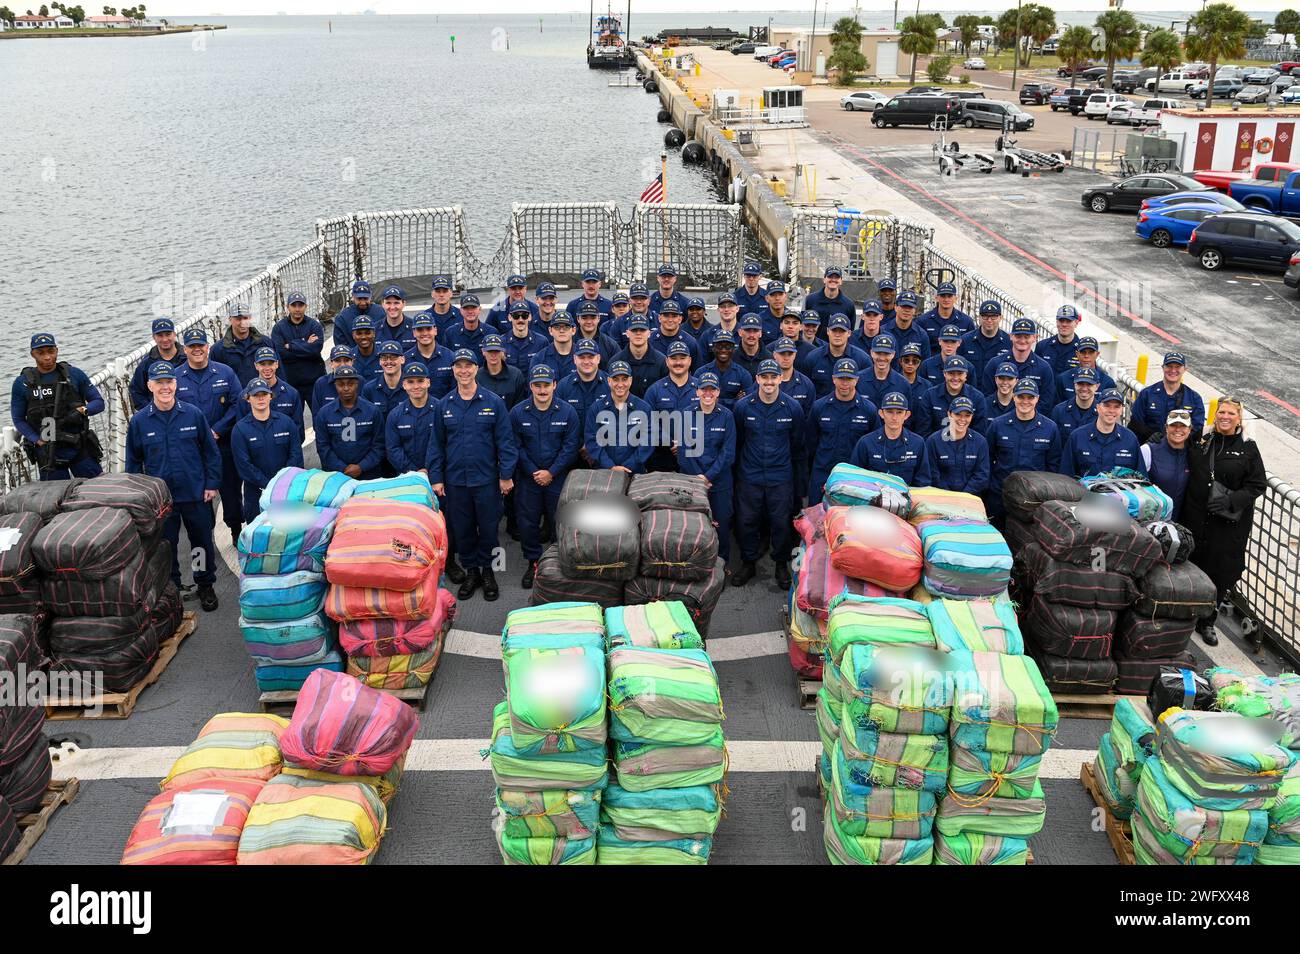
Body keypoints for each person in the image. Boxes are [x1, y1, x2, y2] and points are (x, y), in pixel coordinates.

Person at [126, 362, 221, 611]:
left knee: (200, 542)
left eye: (169, 382)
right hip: (161, 500)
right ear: (150, 386)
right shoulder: (139, 422)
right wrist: (140, 498)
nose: (165, 387)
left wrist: (211, 484)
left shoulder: (193, 414)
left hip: (195, 493)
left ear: (176, 384)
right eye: (159, 383)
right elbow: (133, 464)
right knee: (166, 546)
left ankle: (204, 584)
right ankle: (173, 587)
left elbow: (211, 453)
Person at [428, 349, 518, 602]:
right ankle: (472, 572)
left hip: (487, 480)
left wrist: (506, 475)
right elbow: (436, 445)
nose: (464, 370)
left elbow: (506, 443)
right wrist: (436, 477)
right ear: (454, 370)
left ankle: (488, 572)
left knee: (489, 528)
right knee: (464, 529)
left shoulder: (493, 402)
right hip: (456, 481)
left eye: (469, 366)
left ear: (476, 369)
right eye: (459, 366)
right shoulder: (443, 405)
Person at [1182, 398, 1267, 647]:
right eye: (1222, 412)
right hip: (1197, 519)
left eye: (1231, 413)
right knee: (1193, 566)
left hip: (1227, 526)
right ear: (1215, 414)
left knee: (1221, 572)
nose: (1225, 416)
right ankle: (1185, 615)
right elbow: (1179, 441)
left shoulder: (1248, 448)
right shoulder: (1203, 439)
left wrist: (1231, 501)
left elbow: (1257, 484)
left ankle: (1207, 621)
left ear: (1239, 418)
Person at [732, 360, 806, 588]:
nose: (769, 382)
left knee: (781, 523)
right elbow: (740, 441)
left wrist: (798, 485)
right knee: (746, 521)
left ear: (780, 379)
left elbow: (797, 445)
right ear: (757, 379)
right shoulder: (743, 407)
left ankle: (780, 564)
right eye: (764, 377)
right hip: (750, 475)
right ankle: (749, 562)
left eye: (773, 377)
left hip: (780, 476)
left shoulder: (792, 408)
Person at [511, 364, 581, 589]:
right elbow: (515, 446)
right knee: (528, 523)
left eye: (546, 385)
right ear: (530, 386)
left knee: (558, 521)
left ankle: (556, 562)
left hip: (557, 478)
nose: (542, 390)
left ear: (555, 385)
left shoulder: (567, 412)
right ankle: (533, 563)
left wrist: (551, 472)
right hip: (528, 478)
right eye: (537, 385)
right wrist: (534, 471)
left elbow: (570, 447)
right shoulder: (518, 412)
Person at [174, 327, 243, 542]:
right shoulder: (176, 377)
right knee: (199, 497)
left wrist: (217, 429)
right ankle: (206, 536)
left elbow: (237, 403)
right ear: (185, 349)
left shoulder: (225, 373)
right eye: (192, 346)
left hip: (223, 445)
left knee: (231, 493)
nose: (197, 350)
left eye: (201, 346)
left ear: (208, 347)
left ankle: (236, 530)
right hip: (192, 450)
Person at [11, 332, 105, 480]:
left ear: (57, 350)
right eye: (40, 353)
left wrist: (83, 410)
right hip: (48, 452)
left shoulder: (74, 374)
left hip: (79, 446)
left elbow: (99, 403)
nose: (47, 357)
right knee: (55, 500)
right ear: (32, 354)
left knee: (98, 490)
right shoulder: (22, 383)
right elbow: (18, 419)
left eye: (50, 351)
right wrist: (37, 439)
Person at [676, 373, 737, 566]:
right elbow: (684, 451)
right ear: (697, 391)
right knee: (693, 526)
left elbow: (728, 452)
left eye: (712, 389)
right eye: (704, 389)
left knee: (721, 524)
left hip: (719, 482)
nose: (708, 393)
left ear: (718, 392)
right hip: (692, 482)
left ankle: (721, 563)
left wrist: (709, 476)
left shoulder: (727, 416)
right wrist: (699, 478)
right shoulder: (686, 414)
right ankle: (694, 564)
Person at [985, 379, 1062, 522]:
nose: (1025, 401)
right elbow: (987, 459)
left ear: (1037, 399)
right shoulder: (998, 425)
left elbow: (1053, 466)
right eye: (1021, 396)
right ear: (1014, 397)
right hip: (1000, 496)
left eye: (1030, 397)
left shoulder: (1050, 428)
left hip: (1034, 500)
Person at [230, 380, 303, 522]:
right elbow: (244, 466)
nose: (261, 398)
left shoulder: (286, 423)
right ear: (248, 399)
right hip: (256, 495)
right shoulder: (240, 430)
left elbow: (296, 456)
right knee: (259, 539)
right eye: (256, 395)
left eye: (264, 394)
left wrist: (282, 481)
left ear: (271, 396)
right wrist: (268, 484)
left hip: (287, 491)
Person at [807, 359, 877, 505]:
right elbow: (810, 444)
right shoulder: (819, 407)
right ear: (833, 379)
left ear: (857, 380)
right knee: (818, 522)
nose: (845, 383)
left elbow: (873, 447)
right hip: (823, 475)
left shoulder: (869, 410)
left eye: (849, 379)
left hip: (856, 479)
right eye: (841, 378)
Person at [314, 366, 386, 480]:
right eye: (341, 384)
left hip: (369, 474)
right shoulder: (324, 414)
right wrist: (342, 468)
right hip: (336, 475)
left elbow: (379, 444)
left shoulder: (372, 411)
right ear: (335, 386)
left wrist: (361, 466)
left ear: (357, 384)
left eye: (351, 384)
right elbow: (323, 446)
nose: (346, 388)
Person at [583, 361, 653, 473]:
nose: (620, 384)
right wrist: (610, 466)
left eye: (624, 379)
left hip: (635, 473)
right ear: (609, 381)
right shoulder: (596, 409)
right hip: (604, 472)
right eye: (616, 379)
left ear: (630, 380)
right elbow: (592, 440)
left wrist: (629, 466)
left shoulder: (644, 408)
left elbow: (648, 442)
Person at [850, 391, 932, 486]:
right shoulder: (866, 443)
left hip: (907, 498)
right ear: (881, 413)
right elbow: (855, 478)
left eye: (899, 412)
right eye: (889, 412)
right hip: (874, 498)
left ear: (907, 415)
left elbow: (923, 481)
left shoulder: (917, 443)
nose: (894, 417)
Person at [1059, 388, 1144, 479]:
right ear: (1098, 407)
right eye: (1107, 405)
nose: (1111, 410)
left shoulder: (1130, 440)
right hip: (1084, 492)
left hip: (1119, 492)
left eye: (1116, 407)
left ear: (1122, 410)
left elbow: (1141, 478)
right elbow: (1066, 477)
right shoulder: (1077, 437)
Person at [644, 341, 699, 472]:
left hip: (695, 459)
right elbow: (647, 424)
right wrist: (670, 442)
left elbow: (710, 420)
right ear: (667, 361)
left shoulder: (702, 389)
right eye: (673, 358)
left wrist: (685, 443)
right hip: (661, 460)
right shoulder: (654, 391)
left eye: (682, 358)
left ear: (690, 361)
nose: (678, 362)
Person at [1129, 351, 1205, 443]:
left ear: (1185, 369)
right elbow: (1136, 423)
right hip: (1151, 448)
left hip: (1181, 452)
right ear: (1163, 367)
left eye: (1177, 367)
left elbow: (1197, 429)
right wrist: (1151, 436)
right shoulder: (1147, 394)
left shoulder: (1194, 398)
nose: (1173, 370)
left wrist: (1177, 440)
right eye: (1169, 366)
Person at [980, 318, 1056, 406]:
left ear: (1035, 338)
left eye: (1027, 337)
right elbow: (987, 396)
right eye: (1018, 336)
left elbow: (1046, 402)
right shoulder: (995, 364)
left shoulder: (1044, 368)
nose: (1022, 341)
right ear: (1011, 336)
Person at [557, 339, 610, 466]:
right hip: (571, 455)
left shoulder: (611, 385)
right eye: (582, 357)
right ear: (574, 359)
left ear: (598, 358)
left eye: (591, 357)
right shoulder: (563, 386)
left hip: (605, 453)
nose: (586, 361)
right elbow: (558, 422)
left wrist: (593, 446)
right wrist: (580, 445)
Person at [271, 291, 326, 410]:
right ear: (287, 307)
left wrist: (291, 346)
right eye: (294, 305)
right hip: (291, 384)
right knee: (294, 422)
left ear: (306, 306)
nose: (297, 309)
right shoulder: (279, 328)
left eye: (300, 305)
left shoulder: (314, 326)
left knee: (321, 416)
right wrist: (306, 345)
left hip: (314, 382)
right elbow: (281, 353)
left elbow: (316, 349)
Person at [384, 361, 438, 476]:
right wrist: (414, 471)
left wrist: (432, 469)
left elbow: (447, 444)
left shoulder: (441, 410)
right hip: (407, 476)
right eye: (410, 382)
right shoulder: (395, 415)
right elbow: (393, 449)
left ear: (428, 382)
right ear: (404, 385)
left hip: (438, 475)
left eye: (420, 381)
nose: (416, 386)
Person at [926, 396, 989, 495]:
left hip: (970, 499)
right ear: (949, 414)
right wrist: (950, 496)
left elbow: (981, 475)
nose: (962, 419)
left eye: (967, 415)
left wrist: (964, 496)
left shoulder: (980, 442)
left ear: (972, 417)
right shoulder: (933, 441)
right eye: (958, 414)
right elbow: (933, 474)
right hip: (941, 499)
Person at [800, 313, 871, 397]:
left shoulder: (863, 360)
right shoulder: (813, 358)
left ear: (849, 333)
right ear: (828, 331)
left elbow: (866, 392)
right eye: (834, 330)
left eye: (842, 331)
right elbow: (805, 390)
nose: (837, 335)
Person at [1140, 409, 1193, 520]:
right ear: (1166, 427)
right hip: (1151, 521)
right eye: (1173, 425)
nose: (1178, 429)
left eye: (1183, 426)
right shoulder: (1148, 450)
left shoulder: (1194, 453)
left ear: (1189, 429)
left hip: (1181, 522)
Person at [916, 356, 987, 438]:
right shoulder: (929, 396)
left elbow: (979, 435)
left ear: (966, 375)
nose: (955, 378)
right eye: (951, 373)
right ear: (944, 374)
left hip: (967, 448)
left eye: (960, 373)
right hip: (936, 447)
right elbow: (924, 432)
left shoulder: (977, 398)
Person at [211, 302, 277, 387]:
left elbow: (278, 371)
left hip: (262, 396)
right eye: (238, 319)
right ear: (230, 319)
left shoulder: (265, 343)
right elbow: (214, 379)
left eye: (245, 318)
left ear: (250, 318)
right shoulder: (218, 350)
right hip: (234, 398)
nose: (242, 322)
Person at [241, 347, 305, 432]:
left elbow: (298, 429)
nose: (267, 368)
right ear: (256, 366)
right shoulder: (245, 395)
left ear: (277, 364)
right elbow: (241, 430)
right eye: (262, 364)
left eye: (270, 363)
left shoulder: (291, 393)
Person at [130, 318, 186, 410]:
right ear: (153, 337)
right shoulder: (146, 364)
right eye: (160, 335)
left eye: (168, 334)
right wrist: (150, 411)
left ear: (174, 334)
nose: (164, 339)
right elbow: (136, 391)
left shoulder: (188, 358)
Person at [612, 315, 668, 398]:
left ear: (649, 333)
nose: (638, 333)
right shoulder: (616, 362)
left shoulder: (661, 361)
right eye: (634, 330)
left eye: (642, 330)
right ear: (627, 333)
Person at [404, 313, 456, 399]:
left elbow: (455, 390)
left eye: (428, 329)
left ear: (435, 330)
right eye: (420, 329)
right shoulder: (405, 360)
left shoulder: (450, 357)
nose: (424, 333)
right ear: (414, 333)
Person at [696, 330, 753, 409]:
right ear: (713, 348)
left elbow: (746, 404)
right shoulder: (701, 373)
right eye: (719, 346)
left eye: (728, 347)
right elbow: (696, 401)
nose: (723, 350)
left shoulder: (743, 375)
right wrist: (734, 401)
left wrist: (714, 400)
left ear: (733, 349)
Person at [856, 334, 912, 409]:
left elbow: (907, 415)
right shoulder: (858, 380)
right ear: (871, 353)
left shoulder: (903, 384)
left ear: (893, 354)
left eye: (886, 354)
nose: (882, 358)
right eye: (878, 353)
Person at [916, 281, 974, 351]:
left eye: (949, 296)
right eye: (943, 296)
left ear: (956, 298)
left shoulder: (966, 322)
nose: (946, 299)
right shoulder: (923, 321)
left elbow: (970, 347)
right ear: (936, 298)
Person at [958, 300, 1012, 374]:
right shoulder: (965, 340)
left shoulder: (1009, 342)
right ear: (979, 317)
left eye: (993, 316)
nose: (989, 320)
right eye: (985, 316)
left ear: (1000, 318)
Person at [1050, 366, 1100, 445]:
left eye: (1089, 384)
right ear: (1074, 384)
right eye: (1080, 384)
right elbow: (1053, 446)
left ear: (1097, 386)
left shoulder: (1102, 413)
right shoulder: (1059, 411)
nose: (1084, 388)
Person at [803, 265, 857, 335]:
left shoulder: (849, 305)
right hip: (814, 345)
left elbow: (850, 331)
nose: (833, 280)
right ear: (824, 279)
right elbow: (802, 325)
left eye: (836, 277)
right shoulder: (810, 300)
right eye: (830, 277)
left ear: (841, 281)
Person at [477, 335, 526, 409]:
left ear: (503, 351)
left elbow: (520, 407)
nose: (493, 355)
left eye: (497, 351)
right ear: (483, 352)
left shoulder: (516, 375)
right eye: (490, 351)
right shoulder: (477, 376)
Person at [649, 300, 702, 369]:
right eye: (666, 316)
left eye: (674, 316)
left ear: (680, 319)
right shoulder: (649, 341)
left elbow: (696, 371)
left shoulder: (690, 342)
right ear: (659, 318)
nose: (670, 320)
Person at [773, 337, 816, 420]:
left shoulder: (806, 385)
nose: (786, 358)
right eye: (782, 353)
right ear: (774, 355)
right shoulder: (766, 383)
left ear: (795, 355)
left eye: (790, 354)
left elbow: (809, 418)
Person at [882, 291, 929, 367]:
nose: (907, 310)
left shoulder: (921, 335)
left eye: (910, 307)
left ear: (914, 310)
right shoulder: (883, 332)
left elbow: (925, 365)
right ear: (896, 307)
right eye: (904, 306)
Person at [1034, 304, 1083, 377]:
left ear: (1076, 323)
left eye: (1068, 321)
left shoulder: (1082, 350)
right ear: (1057, 322)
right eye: (1061, 321)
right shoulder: (1042, 346)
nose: (1064, 324)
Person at [332, 279, 385, 347]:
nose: (363, 303)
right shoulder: (342, 318)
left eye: (365, 298)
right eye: (359, 299)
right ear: (353, 297)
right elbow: (340, 343)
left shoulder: (380, 312)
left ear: (370, 297)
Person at [362, 342, 407, 417]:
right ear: (380, 361)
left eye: (393, 357)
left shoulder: (411, 387)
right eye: (384, 358)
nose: (388, 362)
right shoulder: (369, 389)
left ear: (402, 359)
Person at [574, 301, 621, 365]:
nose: (589, 322)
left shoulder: (610, 345)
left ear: (598, 318)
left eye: (593, 317)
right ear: (578, 319)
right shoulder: (570, 341)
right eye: (584, 318)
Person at [312, 346, 355, 416]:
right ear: (331, 363)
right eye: (338, 360)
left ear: (352, 362)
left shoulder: (360, 382)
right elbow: (317, 415)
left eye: (346, 360)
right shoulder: (321, 384)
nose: (342, 364)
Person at [374, 285, 417, 352]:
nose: (392, 307)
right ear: (382, 304)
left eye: (396, 303)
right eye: (388, 303)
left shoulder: (415, 327)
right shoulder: (374, 330)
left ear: (404, 304)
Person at [757, 280, 793, 346]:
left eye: (780, 294)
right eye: (773, 295)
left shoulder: (794, 319)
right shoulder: (759, 320)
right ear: (767, 298)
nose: (777, 298)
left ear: (786, 296)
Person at [349, 315, 381, 383]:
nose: (363, 337)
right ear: (353, 335)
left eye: (368, 333)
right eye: (359, 333)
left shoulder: (384, 355)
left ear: (374, 333)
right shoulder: (348, 357)